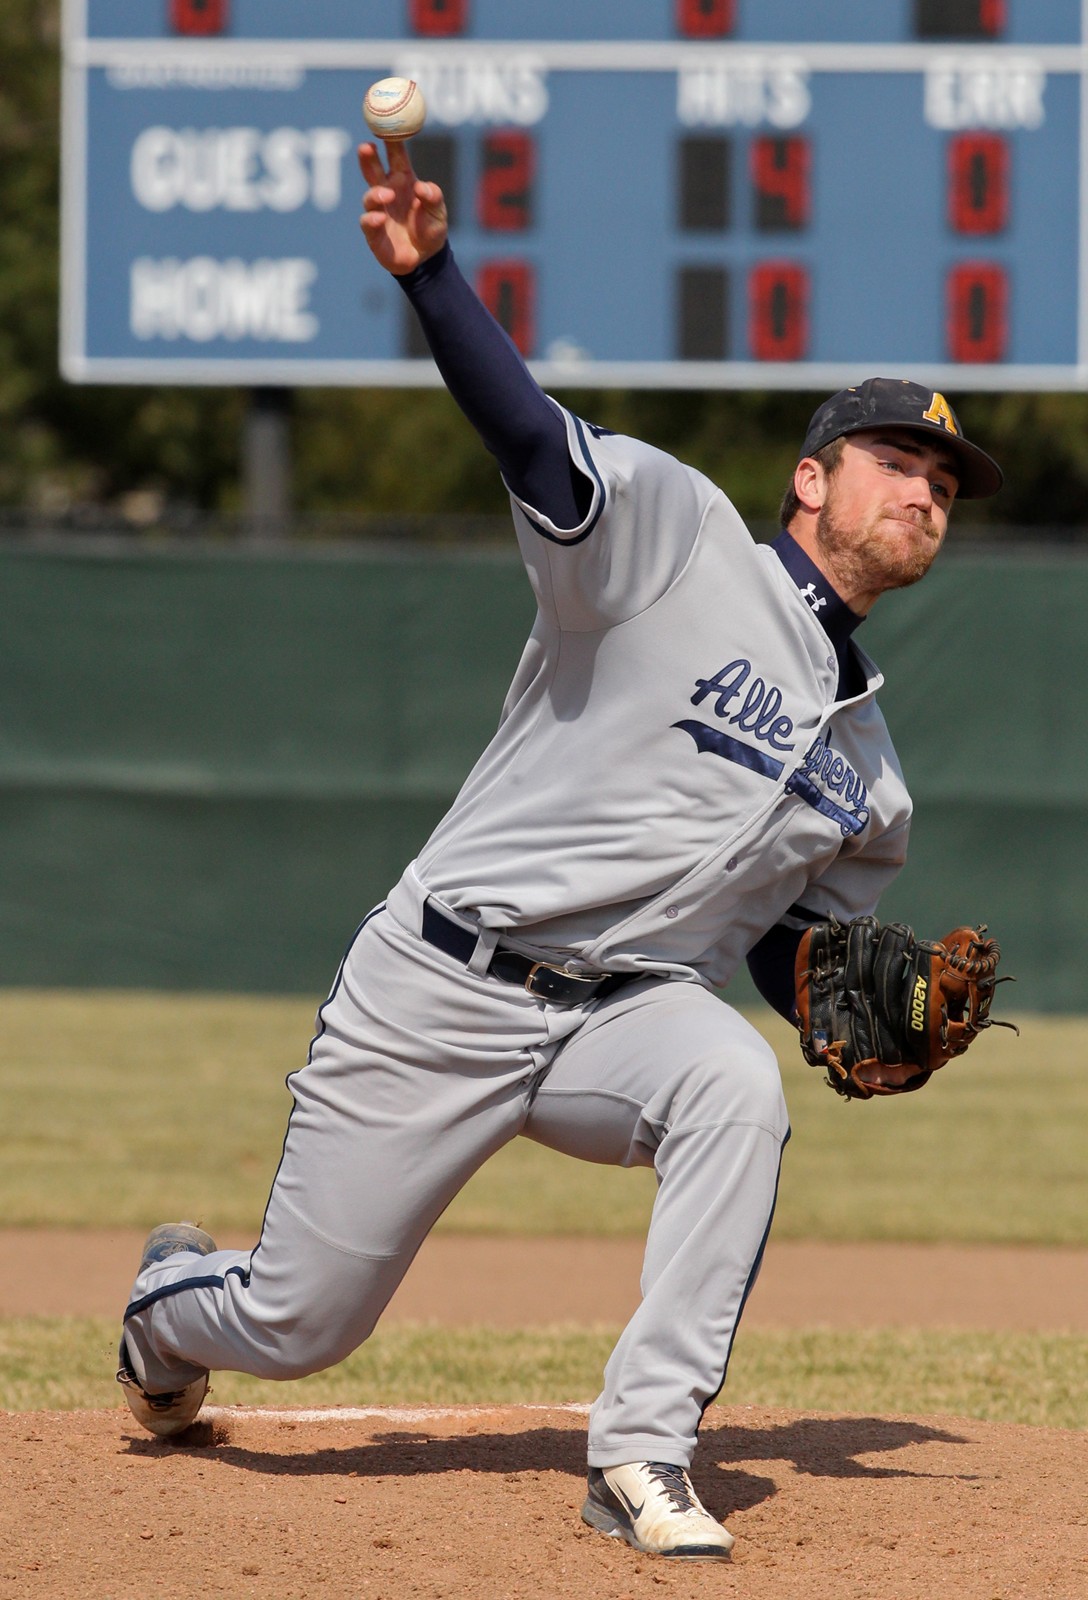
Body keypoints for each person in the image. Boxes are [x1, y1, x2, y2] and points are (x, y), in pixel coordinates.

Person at [115, 139, 1003, 1562]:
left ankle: (643, 1451)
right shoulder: (675, 536)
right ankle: (165, 1311)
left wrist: (860, 1029)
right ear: (810, 480)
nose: (925, 492)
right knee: (297, 1323)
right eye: (899, 462)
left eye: (946, 484)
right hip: (445, 981)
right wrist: (433, 278)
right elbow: (535, 441)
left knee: (731, 1085)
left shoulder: (870, 772)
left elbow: (792, 947)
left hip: (625, 1020)